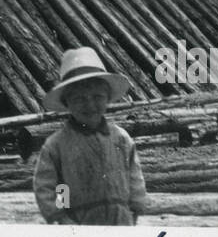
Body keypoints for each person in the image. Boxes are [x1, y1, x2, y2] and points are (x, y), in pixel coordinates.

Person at [32, 47, 147, 226]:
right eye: (79, 99)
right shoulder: (57, 145)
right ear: (67, 103)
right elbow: (54, 185)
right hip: (79, 222)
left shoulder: (121, 138)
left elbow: (134, 175)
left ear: (108, 98)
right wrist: (61, 216)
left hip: (121, 219)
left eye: (97, 97)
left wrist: (135, 208)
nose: (90, 105)